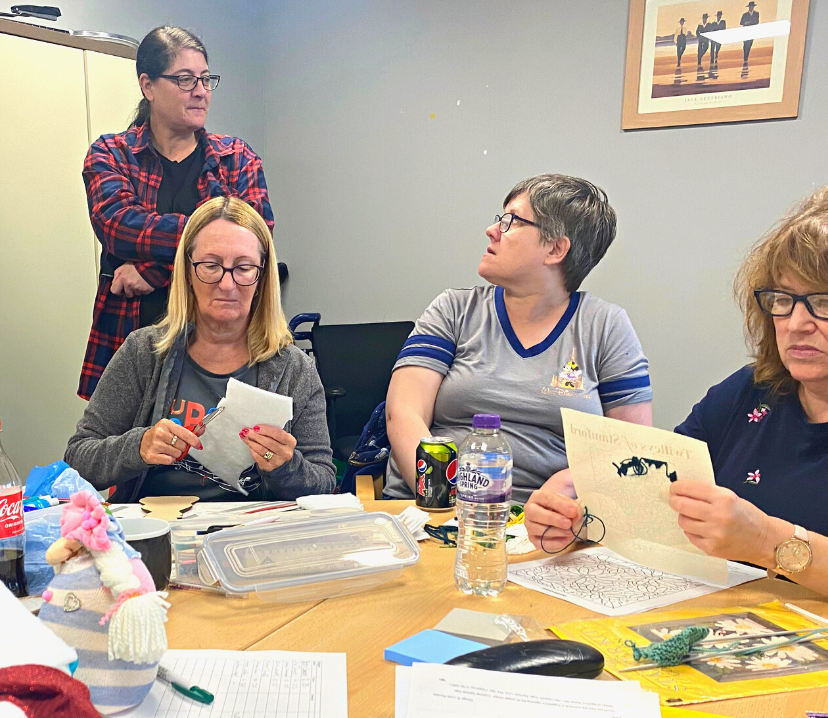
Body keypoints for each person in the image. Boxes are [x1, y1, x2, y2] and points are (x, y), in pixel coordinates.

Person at [523, 180, 828, 618]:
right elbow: (654, 493)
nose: (796, 323)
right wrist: (578, 505)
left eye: (827, 302)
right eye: (782, 299)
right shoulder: (752, 392)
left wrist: (769, 542)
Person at [383, 174, 653, 503]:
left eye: (511, 221)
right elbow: (404, 412)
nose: (493, 229)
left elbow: (631, 448)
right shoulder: (454, 309)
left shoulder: (606, 326)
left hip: (547, 522)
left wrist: (565, 494)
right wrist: (444, 499)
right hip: (432, 505)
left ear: (555, 249)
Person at [66, 196, 336, 503]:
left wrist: (286, 467)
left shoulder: (295, 368)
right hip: (156, 530)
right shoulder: (143, 353)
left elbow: (324, 484)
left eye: (244, 268)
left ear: (262, 278)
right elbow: (78, 460)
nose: (227, 284)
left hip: (251, 536)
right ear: (187, 273)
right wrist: (139, 447)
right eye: (211, 266)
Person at [79, 26, 273, 400]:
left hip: (220, 344)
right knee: (123, 451)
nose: (200, 91)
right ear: (148, 86)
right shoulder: (111, 153)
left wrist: (153, 269)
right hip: (130, 339)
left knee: (214, 451)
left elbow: (257, 236)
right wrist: (213, 239)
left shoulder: (236, 158)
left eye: (205, 79)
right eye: (185, 79)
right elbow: (118, 227)